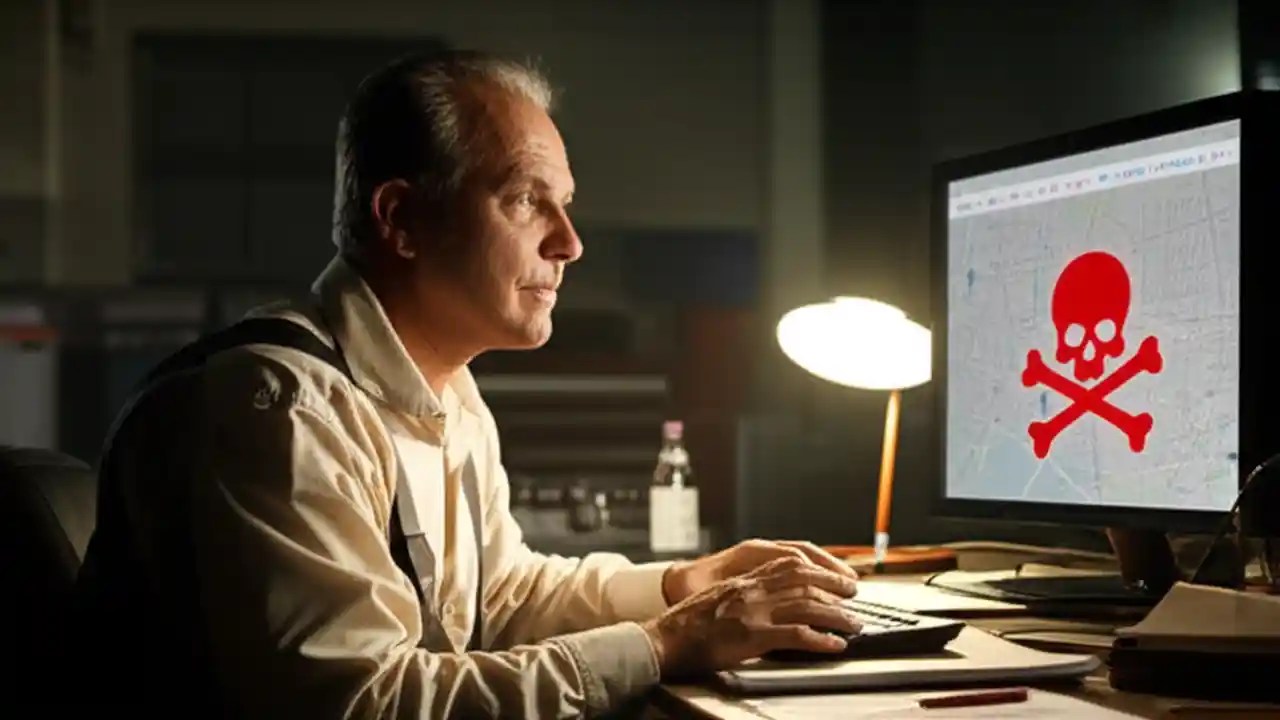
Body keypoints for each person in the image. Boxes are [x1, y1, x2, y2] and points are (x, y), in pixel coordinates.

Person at [69, 49, 862, 718]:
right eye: (525, 200)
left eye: (568, 207)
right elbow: (363, 701)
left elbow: (502, 596)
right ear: (401, 219)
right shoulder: (283, 408)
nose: (571, 244)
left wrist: (686, 585)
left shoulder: (445, 390)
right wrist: (665, 643)